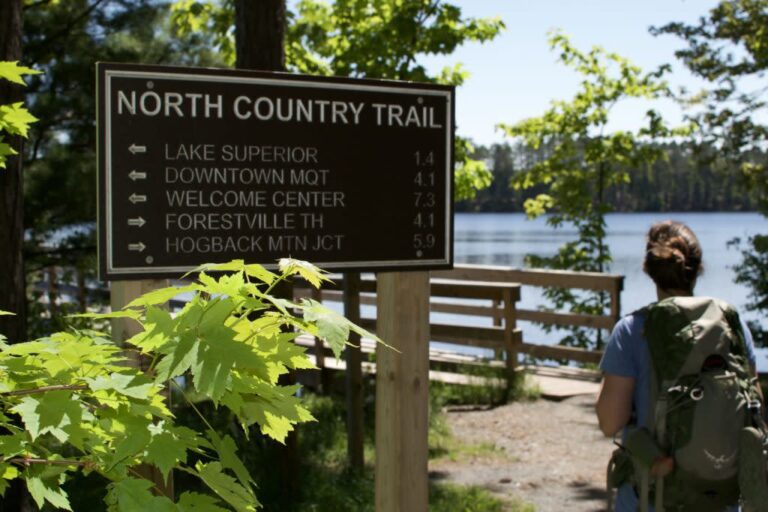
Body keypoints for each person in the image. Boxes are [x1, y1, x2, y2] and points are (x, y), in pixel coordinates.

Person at [596, 220, 759, 511]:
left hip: (652, 496)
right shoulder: (733, 326)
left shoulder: (632, 330)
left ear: (649, 270)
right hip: (720, 495)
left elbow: (610, 422)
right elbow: (755, 414)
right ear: (697, 269)